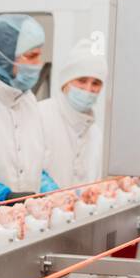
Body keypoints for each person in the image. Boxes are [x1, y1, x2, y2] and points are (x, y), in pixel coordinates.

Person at [0, 14, 53, 195]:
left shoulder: (28, 100)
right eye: (31, 56)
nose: (38, 65)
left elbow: (37, 166)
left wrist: (50, 191)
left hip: (26, 218)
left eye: (39, 56)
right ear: (3, 55)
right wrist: (4, 195)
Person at [39, 38, 107, 188]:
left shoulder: (96, 135)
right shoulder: (40, 116)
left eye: (95, 83)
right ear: (66, 82)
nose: (88, 89)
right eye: (82, 80)